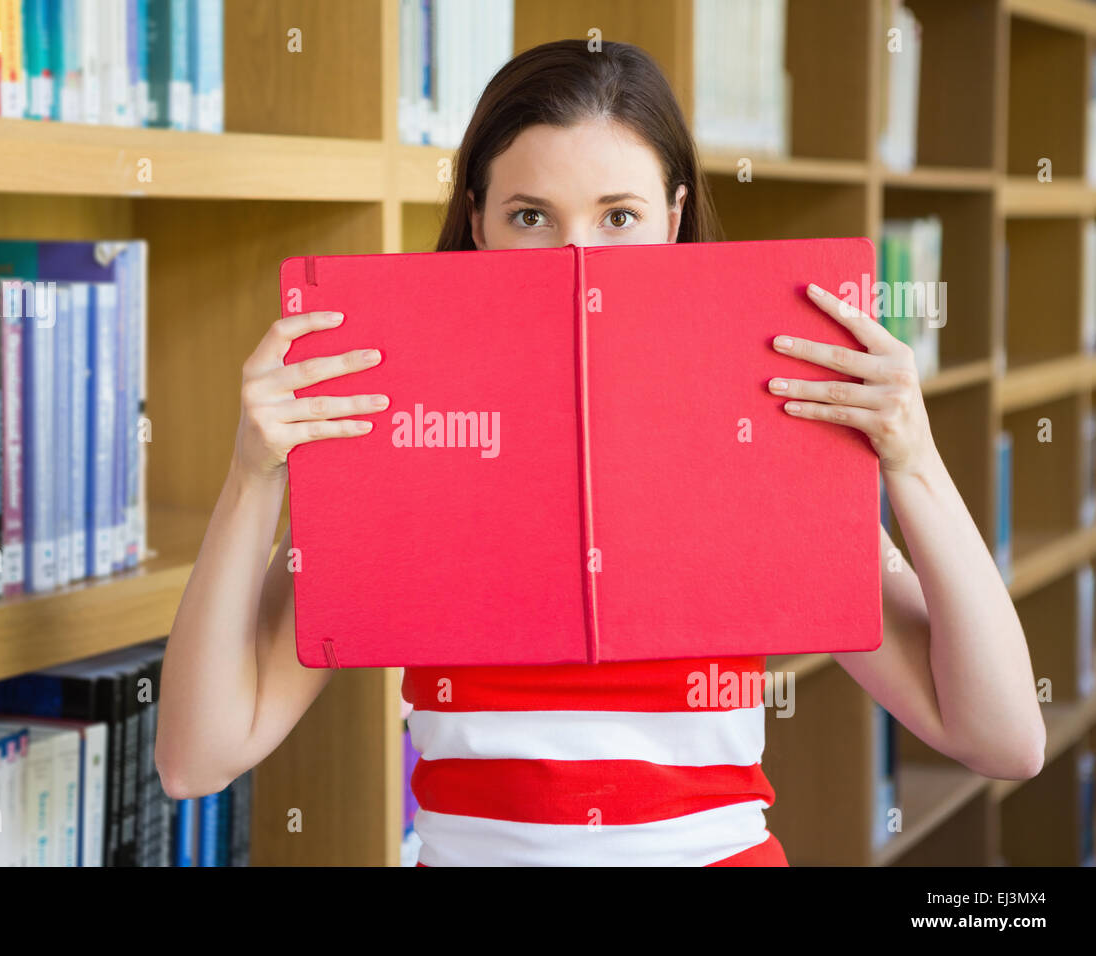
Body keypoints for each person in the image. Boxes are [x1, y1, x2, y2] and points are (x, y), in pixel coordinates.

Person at [154, 39, 1045, 866]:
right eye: (531, 215)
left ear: (674, 214)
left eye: (619, 215)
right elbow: (196, 758)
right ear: (477, 222)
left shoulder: (763, 422)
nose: (575, 259)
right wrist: (251, 476)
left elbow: (1002, 737)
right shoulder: (401, 429)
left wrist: (915, 462)